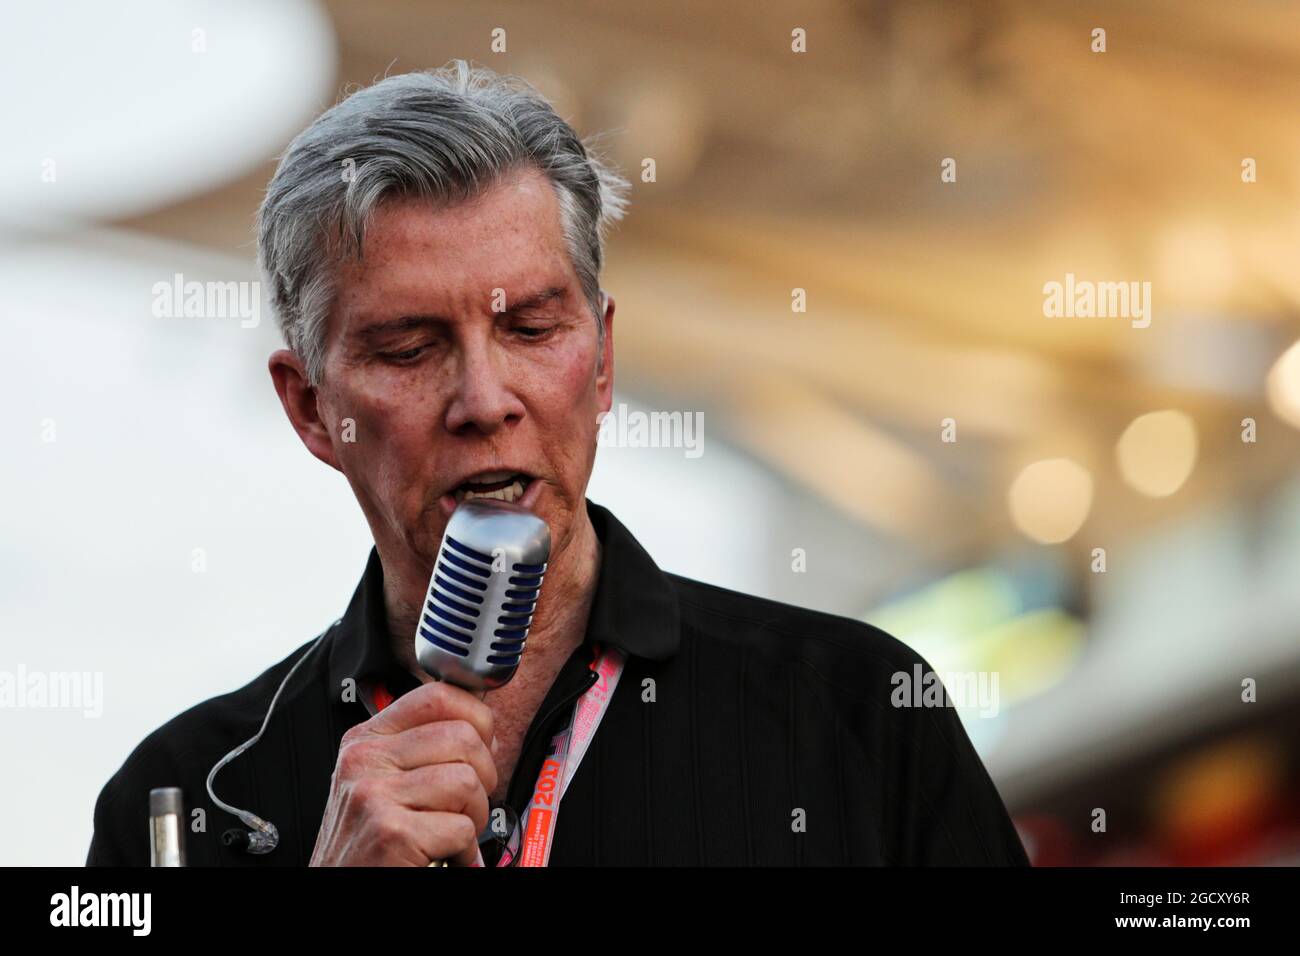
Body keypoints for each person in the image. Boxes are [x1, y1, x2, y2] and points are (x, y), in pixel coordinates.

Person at [87, 60, 1029, 867]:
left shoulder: (859, 714)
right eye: (409, 350)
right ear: (310, 409)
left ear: (605, 359)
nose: (485, 399)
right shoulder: (181, 802)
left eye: (530, 328)